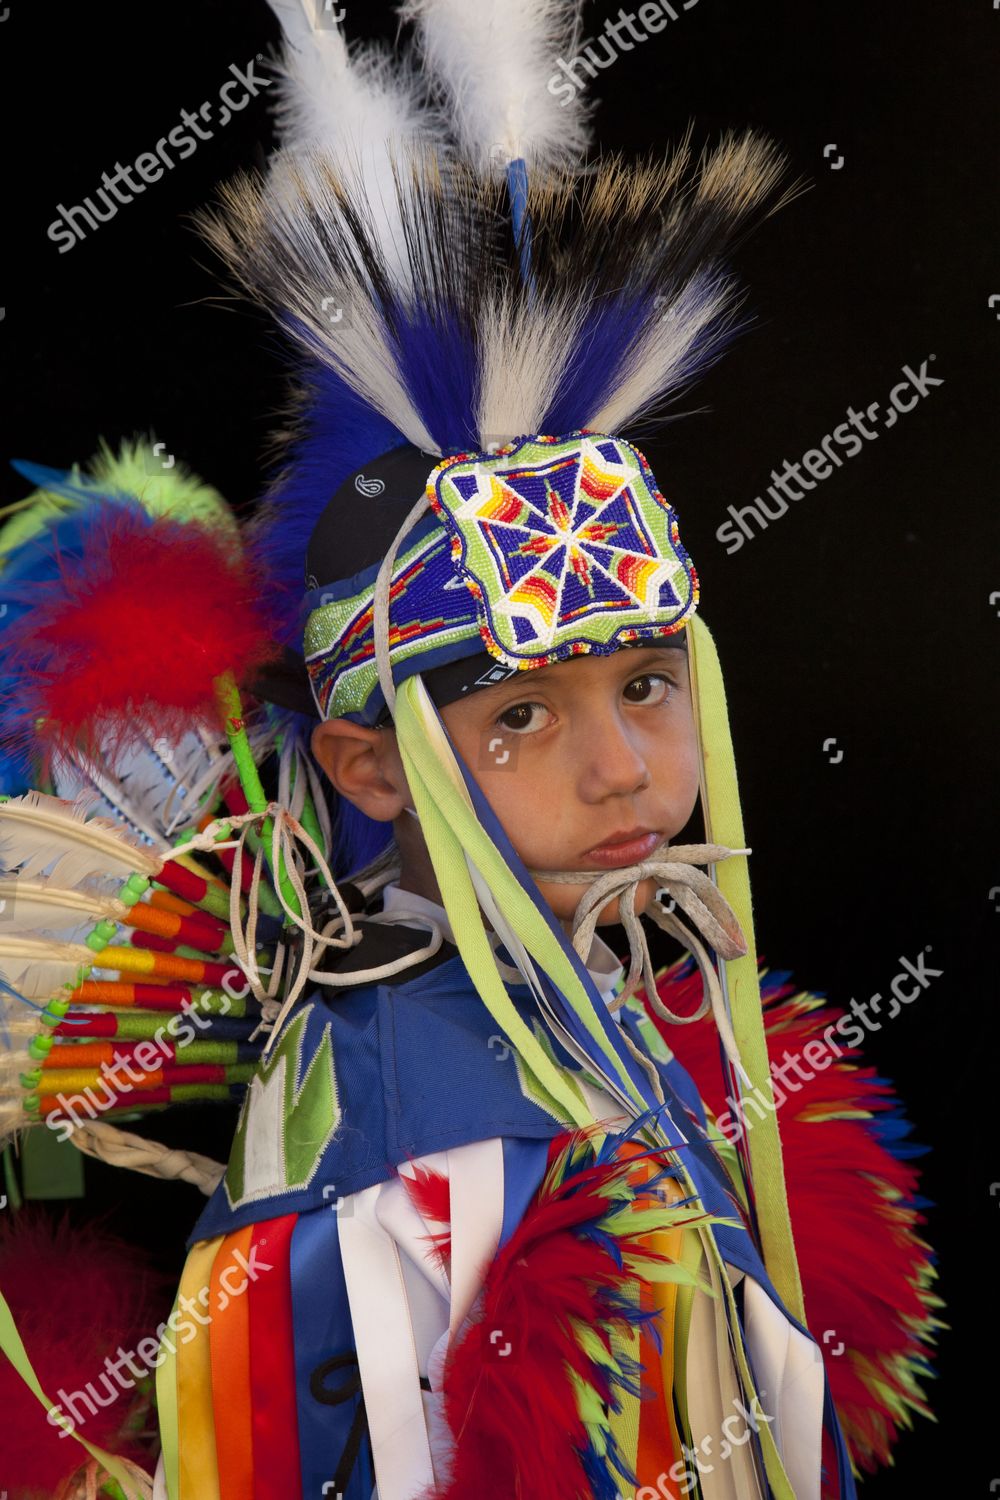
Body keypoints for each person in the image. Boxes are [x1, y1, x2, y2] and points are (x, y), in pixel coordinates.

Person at [0, 4, 937, 1498]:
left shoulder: (604, 1004)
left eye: (646, 685)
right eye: (520, 717)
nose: (625, 769)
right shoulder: (443, 1146)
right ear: (372, 769)